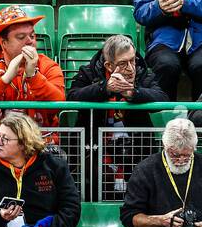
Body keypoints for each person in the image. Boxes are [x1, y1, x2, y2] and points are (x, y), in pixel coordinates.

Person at [66, 33, 169, 195]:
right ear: (108, 66)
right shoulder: (89, 72)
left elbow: (162, 98)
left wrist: (133, 93)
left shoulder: (142, 72)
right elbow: (72, 97)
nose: (130, 68)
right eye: (123, 63)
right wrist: (105, 88)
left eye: (132, 60)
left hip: (136, 146)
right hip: (95, 147)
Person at [0, 5, 65, 134]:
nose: (30, 41)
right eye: (21, 37)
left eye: (32, 36)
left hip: (39, 142)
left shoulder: (49, 65)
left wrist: (34, 76)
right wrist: (4, 79)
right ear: (3, 42)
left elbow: (58, 105)